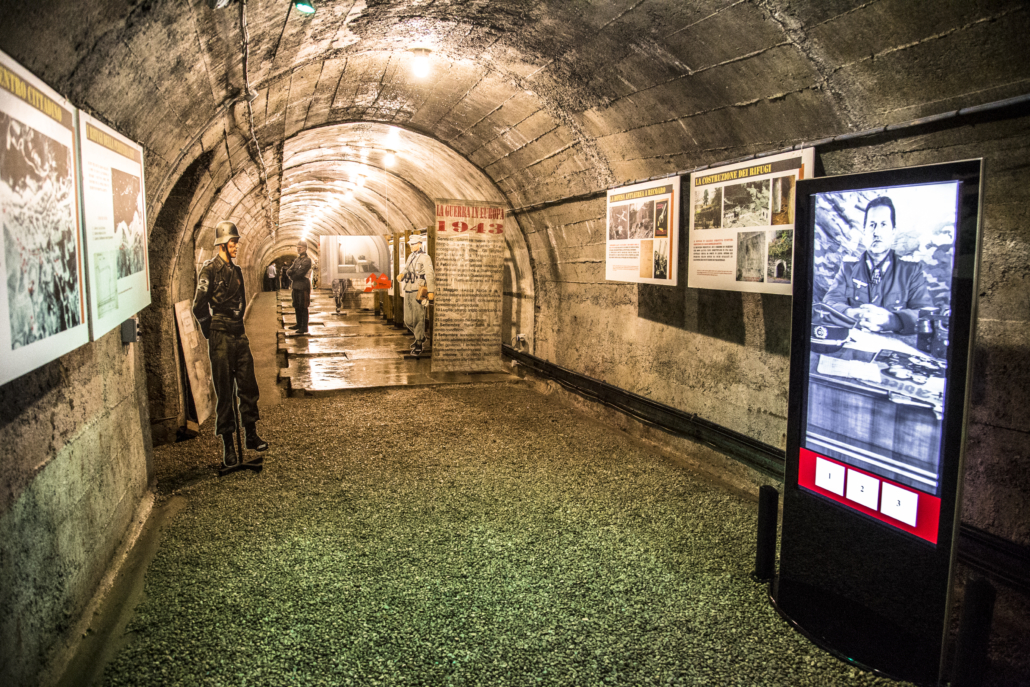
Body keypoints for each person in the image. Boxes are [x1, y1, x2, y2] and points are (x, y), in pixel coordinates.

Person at [192, 220, 268, 467]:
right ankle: (228, 445)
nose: (236, 246)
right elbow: (198, 305)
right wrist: (210, 330)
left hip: (238, 332)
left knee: (248, 384)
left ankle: (250, 434)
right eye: (233, 242)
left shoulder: (236, 271)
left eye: (235, 242)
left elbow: (243, 301)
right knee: (225, 391)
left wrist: (237, 324)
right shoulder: (210, 269)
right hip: (221, 333)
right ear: (223, 243)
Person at [822, 196, 933, 336]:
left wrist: (893, 321)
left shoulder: (911, 271)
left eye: (883, 225)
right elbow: (829, 302)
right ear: (864, 232)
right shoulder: (848, 268)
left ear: (893, 232)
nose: (877, 232)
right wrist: (852, 313)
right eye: (872, 225)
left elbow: (927, 313)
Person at [400, 232, 435, 356]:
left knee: (418, 317)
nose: (411, 246)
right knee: (407, 319)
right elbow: (406, 268)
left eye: (414, 244)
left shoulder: (425, 257)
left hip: (419, 289)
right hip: (408, 288)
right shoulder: (410, 256)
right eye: (411, 244)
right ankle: (419, 336)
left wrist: (431, 291)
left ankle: (419, 342)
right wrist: (402, 274)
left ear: (420, 244)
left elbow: (430, 275)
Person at [287, 240, 313, 334]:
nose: (298, 249)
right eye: (297, 247)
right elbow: (289, 271)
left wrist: (293, 276)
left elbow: (300, 273)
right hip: (296, 286)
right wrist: (293, 274)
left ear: (305, 248)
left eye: (300, 247)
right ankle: (298, 324)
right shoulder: (297, 260)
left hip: (303, 286)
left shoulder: (307, 260)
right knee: (296, 305)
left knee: (303, 306)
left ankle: (304, 327)